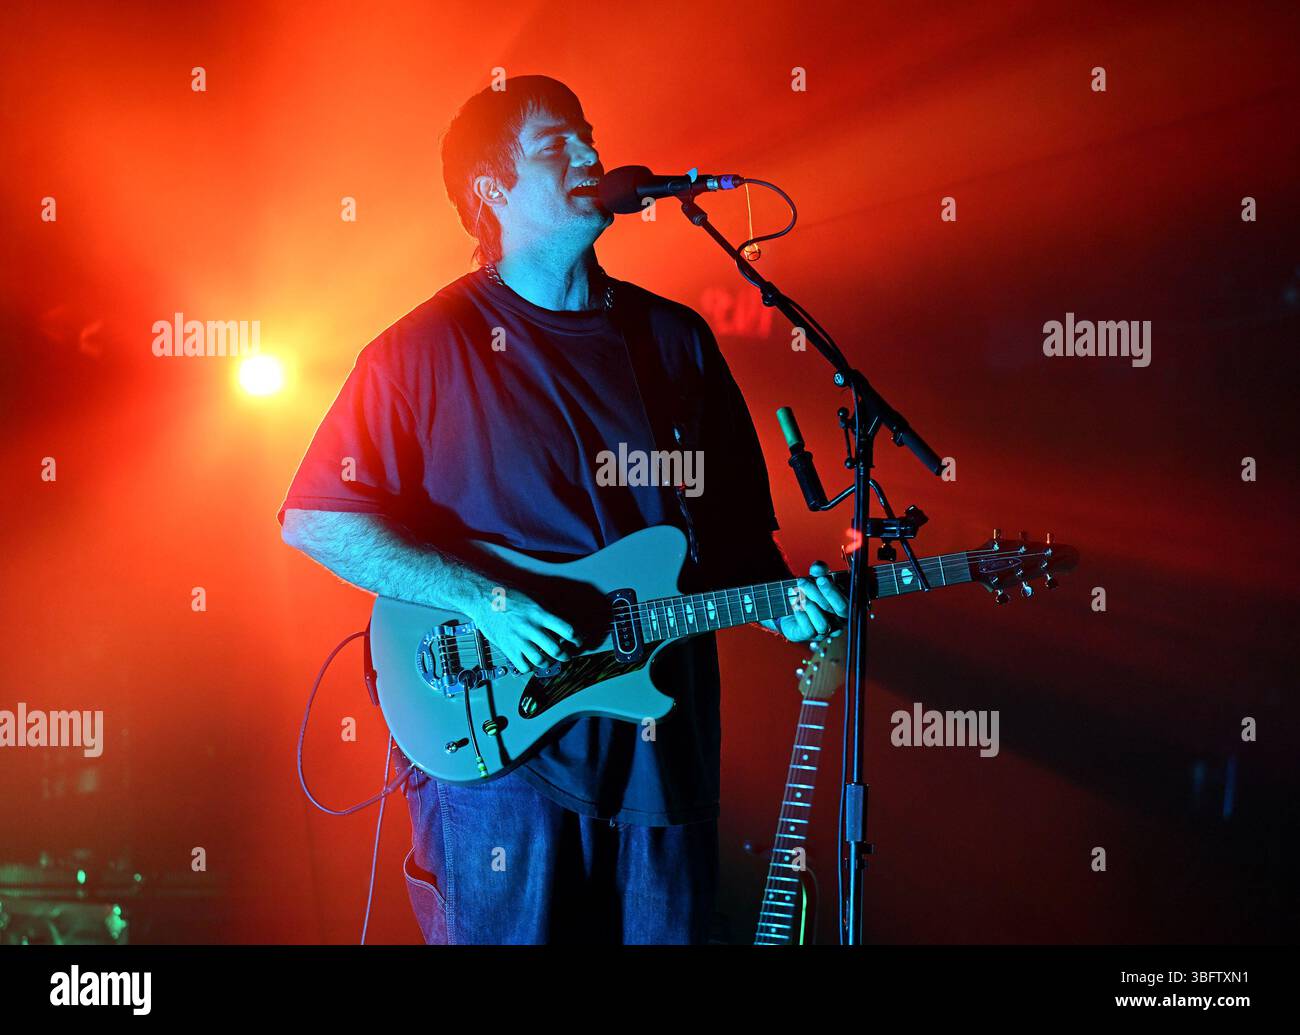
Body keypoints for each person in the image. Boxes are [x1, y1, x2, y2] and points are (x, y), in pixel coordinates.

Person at [278, 75, 846, 944]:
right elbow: (315, 516)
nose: (592, 154)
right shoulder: (426, 349)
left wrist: (793, 608)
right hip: (502, 755)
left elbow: (735, 550)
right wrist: (482, 602)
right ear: (491, 192)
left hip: (664, 754)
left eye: (589, 135)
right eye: (559, 146)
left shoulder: (675, 340)